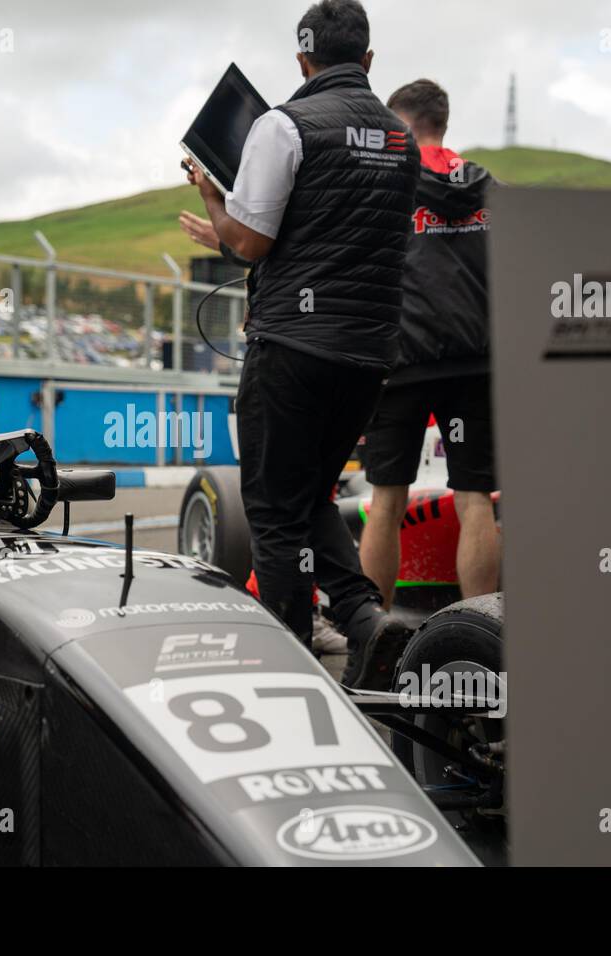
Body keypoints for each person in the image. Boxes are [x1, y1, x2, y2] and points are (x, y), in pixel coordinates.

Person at [186, 0, 419, 685]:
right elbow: (339, 232)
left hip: (291, 345)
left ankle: (287, 663)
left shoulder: (282, 124)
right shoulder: (402, 141)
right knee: (311, 495)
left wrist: (212, 199)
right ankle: (362, 616)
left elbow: (254, 242)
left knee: (272, 512)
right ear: (368, 60)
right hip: (369, 353)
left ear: (301, 61)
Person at [357, 79, 500, 605]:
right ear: (442, 122)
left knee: (386, 501)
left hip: (400, 364)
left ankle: (370, 635)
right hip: (476, 364)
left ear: (401, 125)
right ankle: (482, 629)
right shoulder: (489, 187)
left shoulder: (385, 183)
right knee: (475, 499)